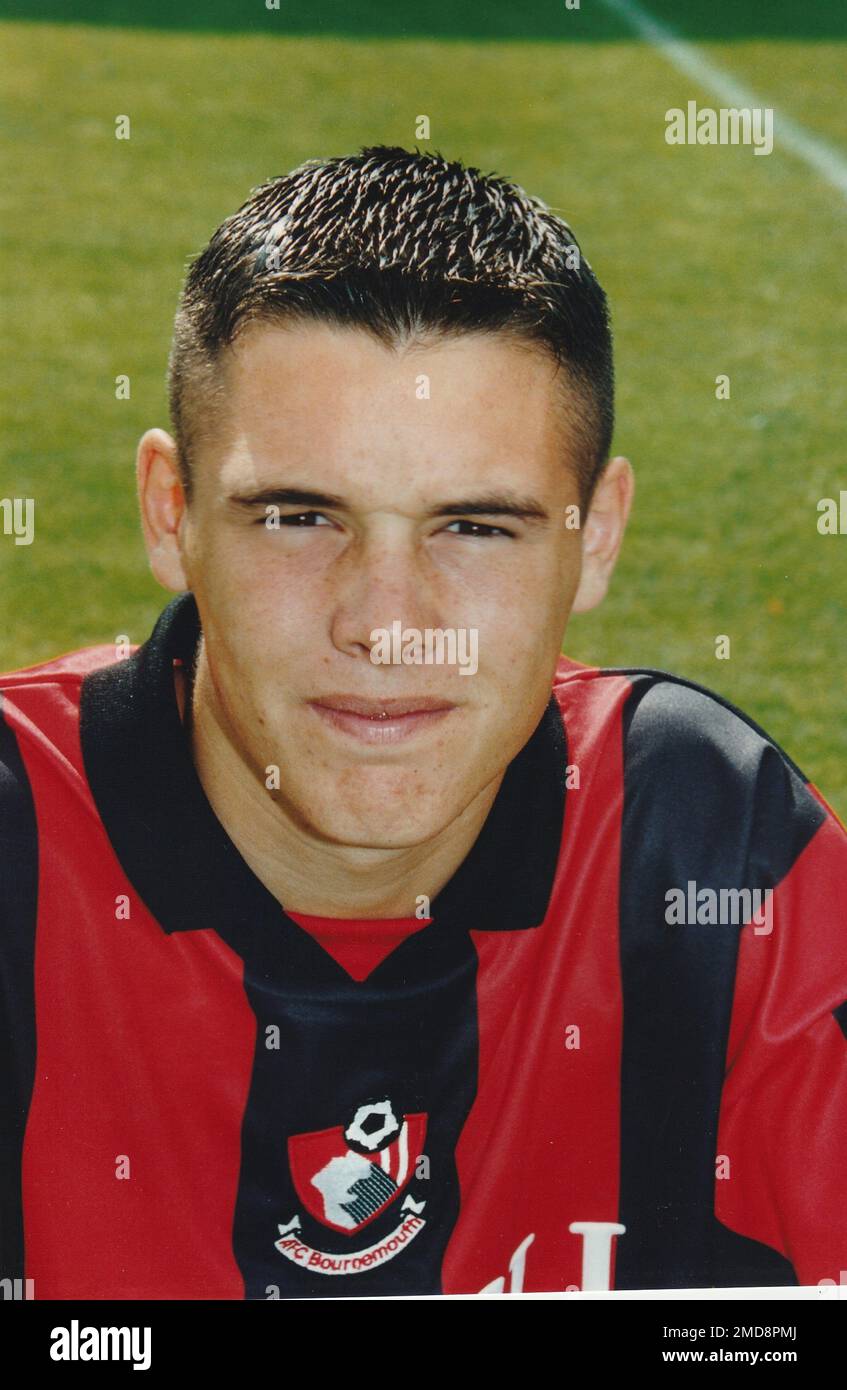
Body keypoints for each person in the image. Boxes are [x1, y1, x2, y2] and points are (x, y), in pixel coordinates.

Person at [1, 145, 845, 1300]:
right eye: (298, 516)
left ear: (593, 537)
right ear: (173, 512)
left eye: (475, 527)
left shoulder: (705, 851)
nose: (387, 626)